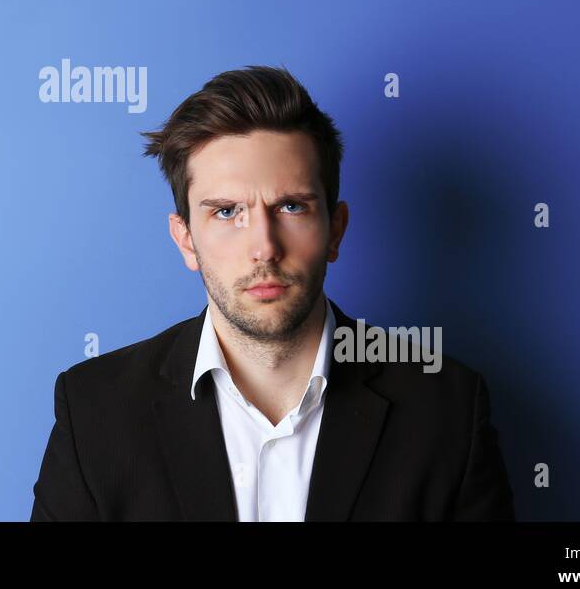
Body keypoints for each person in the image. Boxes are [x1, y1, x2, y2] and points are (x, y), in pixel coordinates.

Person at [30, 64, 514, 521]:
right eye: (225, 212)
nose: (263, 247)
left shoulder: (447, 408)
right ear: (185, 240)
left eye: (290, 206)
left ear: (336, 230)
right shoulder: (95, 412)